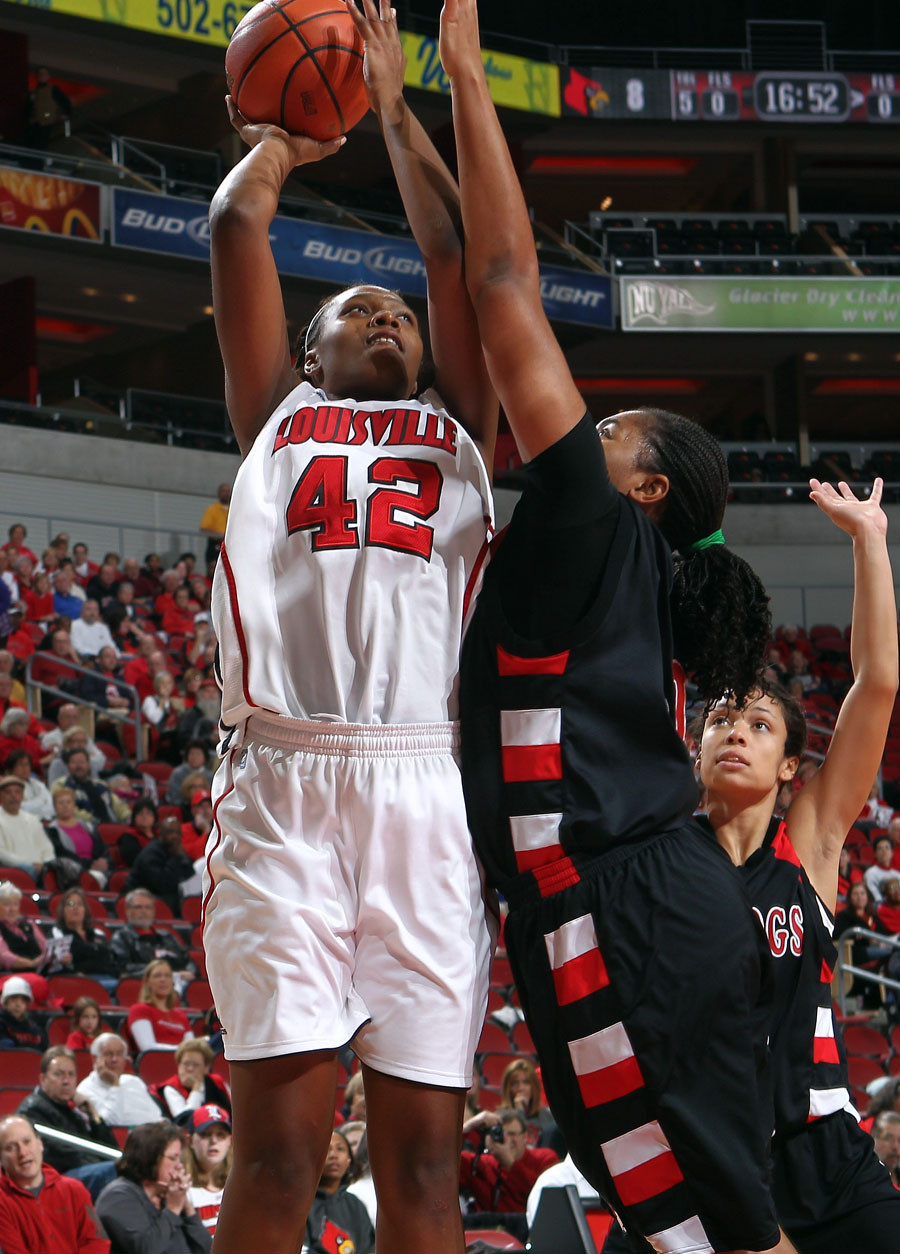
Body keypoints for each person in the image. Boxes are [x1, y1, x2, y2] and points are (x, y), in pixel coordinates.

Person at [442, 3, 788, 1251]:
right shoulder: (623, 552)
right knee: (705, 1222)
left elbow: (497, 283)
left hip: (609, 901)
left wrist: (466, 81)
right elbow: (467, 274)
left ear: (641, 481)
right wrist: (396, 107)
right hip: (642, 892)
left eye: (610, 429)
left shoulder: (592, 515)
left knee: (698, 1229)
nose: (585, 434)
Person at [202, 4, 497, 1253]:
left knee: (427, 1174)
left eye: (401, 318)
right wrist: (281, 137)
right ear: (307, 354)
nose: (386, 317)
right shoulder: (277, 411)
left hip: (426, 788)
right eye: (355, 310)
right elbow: (231, 225)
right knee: (277, 1154)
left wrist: (389, 99)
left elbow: (455, 255)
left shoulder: (462, 420)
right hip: (284, 777)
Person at [693, 477, 900, 1251]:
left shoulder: (807, 842)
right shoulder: (666, 860)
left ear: (789, 765)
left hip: (832, 1158)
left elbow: (877, 684)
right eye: (720, 718)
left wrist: (868, 540)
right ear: (697, 750)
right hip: (723, 1165)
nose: (736, 731)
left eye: (757, 721)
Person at [96, 1120, 211, 1254]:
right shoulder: (117, 1196)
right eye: (173, 1158)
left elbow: (207, 1248)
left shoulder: (167, 1195)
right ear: (150, 1157)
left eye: (180, 1159)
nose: (179, 1166)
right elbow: (147, 1249)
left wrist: (187, 1207)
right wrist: (173, 1209)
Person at [0, 1114, 109, 1254]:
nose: (23, 1152)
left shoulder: (74, 1189)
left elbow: (97, 1242)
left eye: (27, 1141)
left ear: (40, 1144)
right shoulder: (2, 1202)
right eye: (11, 1148)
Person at [18, 1045, 119, 1184]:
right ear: (43, 1079)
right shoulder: (32, 1109)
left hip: (83, 1169)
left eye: (71, 1074)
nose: (66, 1081)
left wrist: (94, 1115)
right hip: (57, 1177)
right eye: (58, 1074)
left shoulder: (73, 1111)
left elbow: (110, 1148)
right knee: (112, 1170)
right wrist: (97, 1162)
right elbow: (54, 1154)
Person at [459, 1106, 558, 1237]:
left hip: (532, 1235)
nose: (506, 1140)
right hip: (488, 1237)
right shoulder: (481, 1164)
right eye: (500, 1133)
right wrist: (468, 1127)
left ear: (525, 1136)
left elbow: (545, 1197)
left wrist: (509, 1162)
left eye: (512, 1134)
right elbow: (442, 1161)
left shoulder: (544, 1158)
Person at [304, 1129, 374, 1254]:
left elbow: (370, 1248)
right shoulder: (302, 1205)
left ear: (349, 1161)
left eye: (340, 1149)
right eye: (327, 1149)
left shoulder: (355, 1204)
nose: (333, 1155)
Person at [75, 1033, 164, 1127]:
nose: (115, 1059)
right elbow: (109, 1124)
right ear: (94, 1059)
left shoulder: (134, 1081)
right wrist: (115, 1085)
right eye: (108, 1054)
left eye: (119, 1054)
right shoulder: (85, 1090)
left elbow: (157, 1117)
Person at [109, 890, 195, 982]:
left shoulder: (167, 936)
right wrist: (164, 973)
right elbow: (124, 967)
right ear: (128, 910)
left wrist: (190, 973)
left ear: (153, 911)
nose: (144, 911)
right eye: (138, 907)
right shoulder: (121, 937)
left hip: (178, 982)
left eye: (148, 907)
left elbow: (187, 961)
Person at [47, 888, 119, 991]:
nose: (75, 908)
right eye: (70, 904)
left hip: (106, 977)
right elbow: (55, 964)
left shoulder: (98, 933)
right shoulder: (57, 933)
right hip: (76, 979)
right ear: (63, 910)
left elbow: (110, 959)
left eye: (79, 904)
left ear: (85, 910)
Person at [125, 818, 196, 915]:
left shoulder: (176, 850)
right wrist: (175, 859)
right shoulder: (151, 853)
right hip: (142, 896)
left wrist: (183, 858)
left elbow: (190, 874)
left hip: (164, 896)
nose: (175, 836)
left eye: (178, 833)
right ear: (161, 833)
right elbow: (162, 884)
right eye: (170, 832)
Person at [152, 1039, 231, 1122]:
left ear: (206, 1068)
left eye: (196, 1065)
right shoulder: (171, 1088)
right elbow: (185, 1120)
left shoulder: (216, 1081)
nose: (190, 1069)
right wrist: (197, 1089)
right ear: (178, 1065)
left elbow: (230, 1112)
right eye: (186, 1064)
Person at [46, 789, 110, 889]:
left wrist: (103, 861)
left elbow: (101, 849)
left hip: (96, 867)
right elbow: (61, 853)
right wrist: (89, 864)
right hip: (71, 873)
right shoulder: (52, 830)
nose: (65, 806)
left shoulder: (88, 826)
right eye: (61, 803)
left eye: (68, 802)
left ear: (74, 805)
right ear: (55, 807)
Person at [184, 1104, 232, 1236]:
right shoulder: (183, 1189)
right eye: (205, 1134)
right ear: (190, 1140)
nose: (213, 1141)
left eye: (221, 1135)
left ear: (230, 1140)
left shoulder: (240, 1186)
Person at [125, 960, 192, 1053]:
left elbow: (193, 1047)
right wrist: (182, 1050)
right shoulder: (139, 1010)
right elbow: (148, 1048)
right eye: (157, 976)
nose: (163, 980)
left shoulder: (181, 1015)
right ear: (147, 981)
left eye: (168, 976)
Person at [0, 774, 55, 880]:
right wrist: (29, 865)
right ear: (1, 795)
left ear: (22, 796)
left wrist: (46, 863)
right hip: (14, 871)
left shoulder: (33, 819)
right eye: (8, 792)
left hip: (40, 869)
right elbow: (1, 853)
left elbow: (47, 848)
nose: (13, 796)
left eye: (17, 792)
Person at [499, 1056, 557, 1146]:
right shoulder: (501, 1116)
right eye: (515, 1083)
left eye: (526, 1082)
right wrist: (519, 1111)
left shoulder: (546, 1114)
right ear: (508, 1088)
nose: (520, 1088)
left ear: (533, 1086)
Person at [0, 974, 48, 1050]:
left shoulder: (35, 1028)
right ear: (5, 1002)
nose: (18, 1004)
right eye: (14, 999)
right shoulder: (1, 1024)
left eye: (23, 1000)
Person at [4, 749, 54, 822]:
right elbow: (20, 808)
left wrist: (36, 805)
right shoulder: (8, 786)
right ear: (12, 768)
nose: (25, 768)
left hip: (46, 820)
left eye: (27, 764)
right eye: (21, 764)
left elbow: (51, 805)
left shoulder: (37, 783)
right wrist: (42, 801)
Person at [199, 484, 231, 567]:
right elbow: (204, 528)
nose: (226, 493)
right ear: (219, 493)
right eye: (223, 491)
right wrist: (220, 536)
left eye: (228, 491)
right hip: (216, 544)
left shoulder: (233, 509)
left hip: (231, 544)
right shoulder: (212, 509)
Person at [865, 834, 899, 904]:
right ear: (875, 853)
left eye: (887, 847)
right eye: (880, 848)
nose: (884, 851)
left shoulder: (897, 874)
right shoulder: (870, 873)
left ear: (892, 853)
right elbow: (876, 898)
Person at [872, 1112, 900, 1188]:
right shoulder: (863, 1179)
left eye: (899, 1140)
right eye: (888, 1139)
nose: (895, 1147)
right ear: (873, 1139)